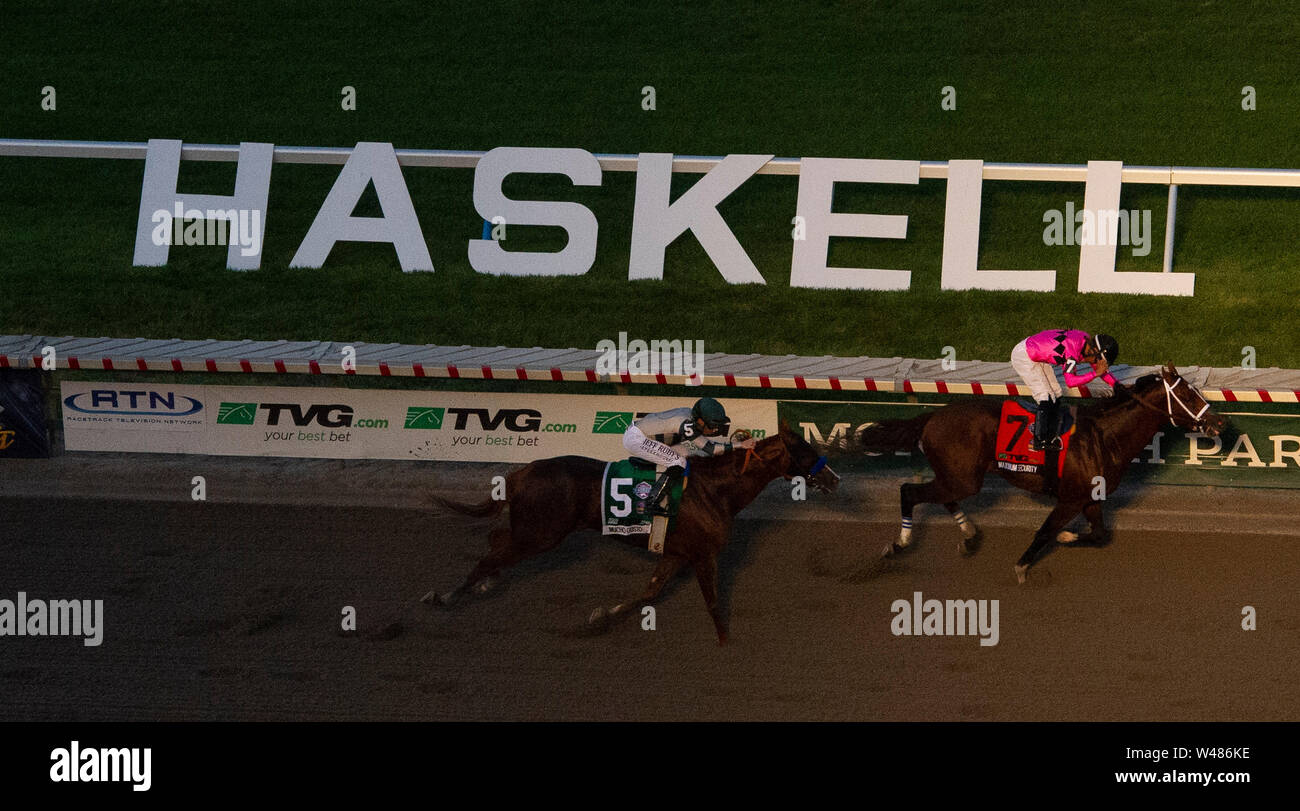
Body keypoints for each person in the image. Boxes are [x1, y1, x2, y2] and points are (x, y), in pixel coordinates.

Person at [621, 396, 757, 507]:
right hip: (636, 438)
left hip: (642, 434)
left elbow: (705, 450)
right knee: (678, 461)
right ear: (700, 420)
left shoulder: (691, 416)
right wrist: (740, 445)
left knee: (690, 454)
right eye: (712, 425)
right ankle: (653, 501)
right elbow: (711, 449)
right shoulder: (686, 424)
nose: (715, 430)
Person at [1011, 330, 1119, 451]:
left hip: (1034, 351)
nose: (1096, 363)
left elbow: (1100, 370)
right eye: (1098, 360)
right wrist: (1094, 373)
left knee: (1056, 393)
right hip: (1024, 356)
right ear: (1094, 351)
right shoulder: (1072, 353)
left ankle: (1051, 436)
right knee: (1045, 396)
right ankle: (1039, 441)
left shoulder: (1087, 343)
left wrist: (1117, 386)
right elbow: (1071, 382)